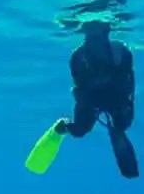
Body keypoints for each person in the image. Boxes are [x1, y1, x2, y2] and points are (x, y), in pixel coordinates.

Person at [53, 19, 139, 178]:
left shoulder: (115, 52)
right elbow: (129, 80)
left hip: (106, 99)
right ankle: (129, 170)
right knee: (114, 128)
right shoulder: (83, 56)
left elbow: (129, 80)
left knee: (115, 128)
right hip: (100, 100)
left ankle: (129, 170)